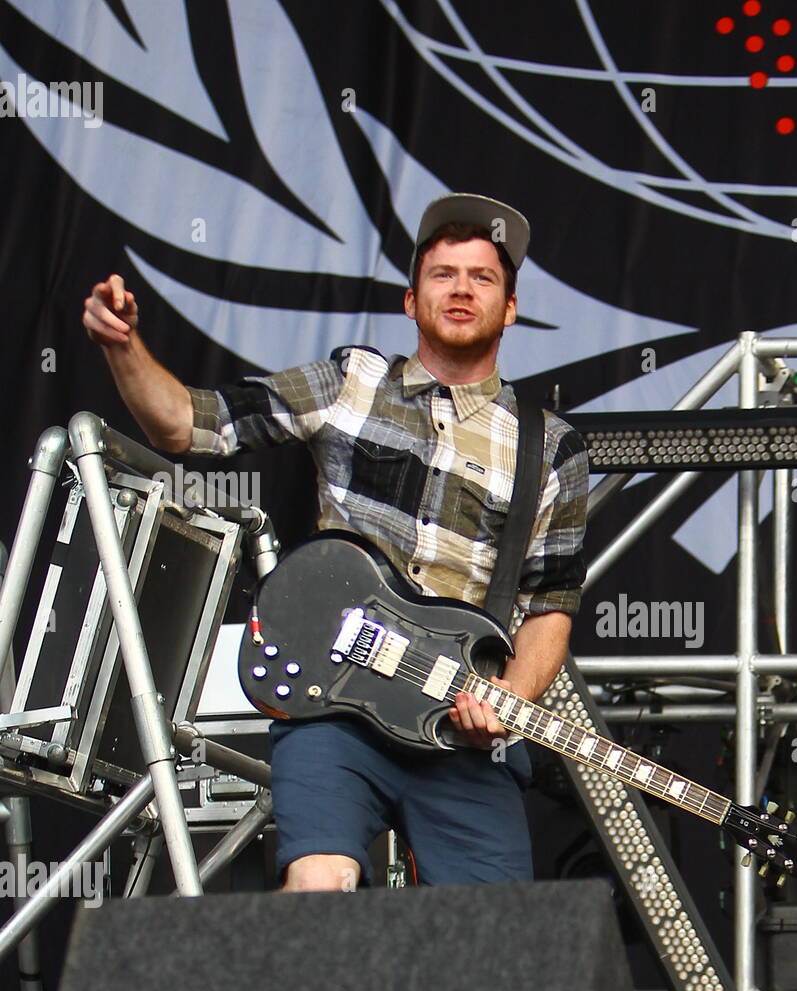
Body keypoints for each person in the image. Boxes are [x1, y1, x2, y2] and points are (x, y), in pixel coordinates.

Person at [83, 193, 588, 892]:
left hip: (459, 734)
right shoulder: (353, 383)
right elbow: (185, 424)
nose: (462, 289)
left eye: (482, 277)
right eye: (444, 274)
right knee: (320, 888)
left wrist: (508, 699)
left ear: (509, 308)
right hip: (336, 703)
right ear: (412, 302)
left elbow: (550, 608)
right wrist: (123, 345)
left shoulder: (551, 447)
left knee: (495, 950)